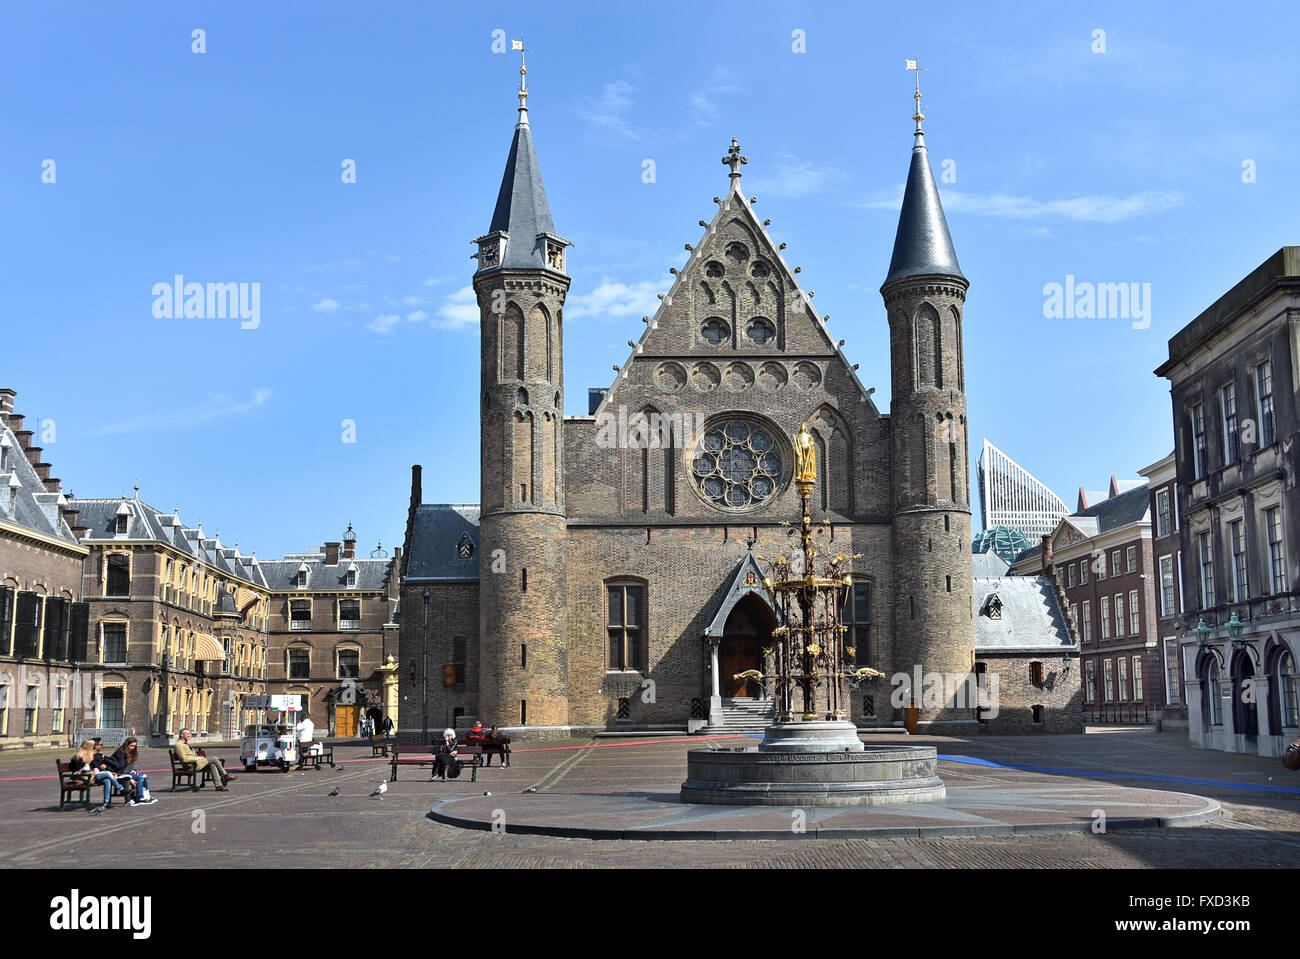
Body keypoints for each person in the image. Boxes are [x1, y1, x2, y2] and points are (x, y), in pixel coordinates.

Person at [88, 737, 136, 809]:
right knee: (108, 774)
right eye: (100, 744)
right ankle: (121, 789)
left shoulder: (100, 755)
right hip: (92, 776)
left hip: (101, 774)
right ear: (95, 745)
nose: (102, 746)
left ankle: (106, 802)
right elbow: (95, 766)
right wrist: (104, 768)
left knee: (107, 780)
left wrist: (106, 765)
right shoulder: (91, 755)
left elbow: (106, 763)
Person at [107, 737, 156, 805]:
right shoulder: (121, 752)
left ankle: (146, 796)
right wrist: (130, 778)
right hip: (119, 773)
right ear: (127, 745)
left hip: (126, 772)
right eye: (131, 746)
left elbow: (128, 765)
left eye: (134, 746)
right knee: (140, 777)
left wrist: (132, 770)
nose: (133, 748)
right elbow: (120, 767)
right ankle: (140, 797)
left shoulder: (130, 752)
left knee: (144, 776)